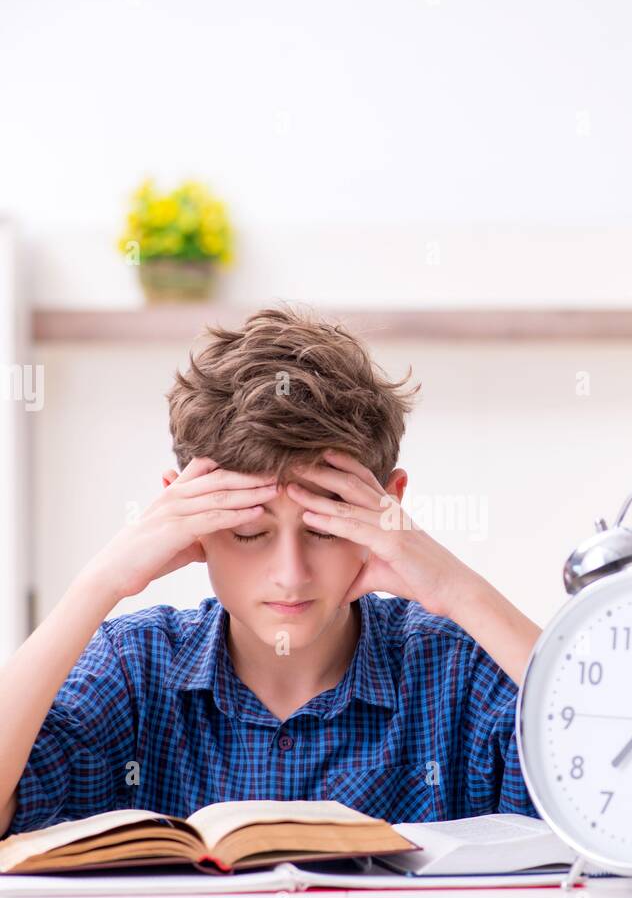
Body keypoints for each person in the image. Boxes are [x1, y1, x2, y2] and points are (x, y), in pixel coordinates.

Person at [0, 304, 542, 838]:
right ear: (183, 516)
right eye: (248, 532)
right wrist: (99, 583)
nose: (290, 573)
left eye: (325, 527)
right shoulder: (136, 668)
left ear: (389, 508)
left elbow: (621, 799)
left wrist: (457, 590)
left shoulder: (459, 668)